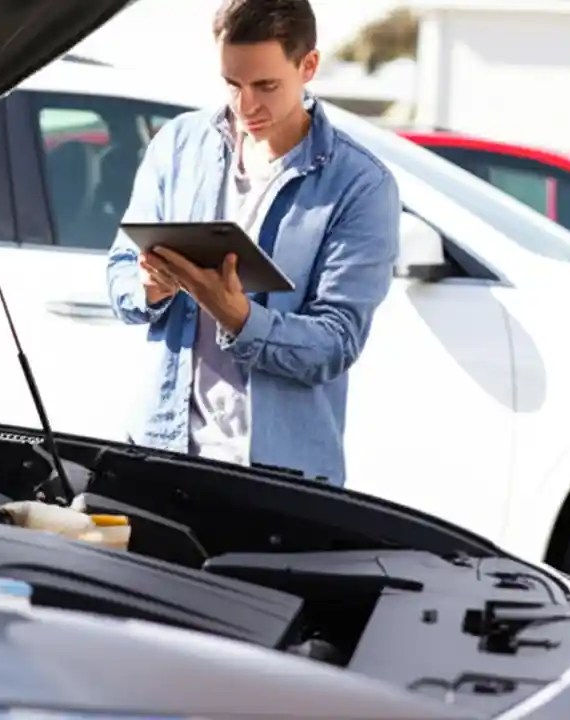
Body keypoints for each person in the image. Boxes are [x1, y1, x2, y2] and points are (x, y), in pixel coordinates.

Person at [105, 0, 401, 485]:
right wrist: (149, 286)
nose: (245, 106)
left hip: (278, 480)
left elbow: (336, 343)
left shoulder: (360, 185)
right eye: (232, 84)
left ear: (308, 66)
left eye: (266, 86)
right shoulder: (177, 145)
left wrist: (238, 317)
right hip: (162, 453)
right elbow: (118, 271)